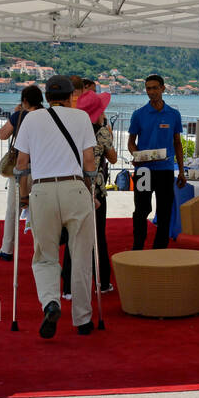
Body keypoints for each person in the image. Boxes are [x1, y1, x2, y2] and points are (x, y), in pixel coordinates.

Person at [12, 75, 98, 338]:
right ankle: (82, 320)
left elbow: (22, 163)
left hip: (43, 190)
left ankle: (51, 302)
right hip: (74, 188)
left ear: (47, 96)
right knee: (82, 255)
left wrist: (24, 197)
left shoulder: (31, 118)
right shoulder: (82, 118)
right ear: (72, 95)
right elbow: (89, 162)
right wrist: (90, 188)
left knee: (45, 255)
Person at [127, 74, 186, 250]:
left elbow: (177, 143)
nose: (151, 92)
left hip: (165, 170)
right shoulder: (139, 114)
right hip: (144, 170)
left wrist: (181, 171)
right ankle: (138, 246)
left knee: (165, 210)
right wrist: (137, 156)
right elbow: (131, 142)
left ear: (163, 88)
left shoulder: (173, 114)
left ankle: (159, 248)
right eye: (148, 88)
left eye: (154, 88)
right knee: (142, 209)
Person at [0, 85, 43, 261]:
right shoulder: (46, 116)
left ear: (24, 100)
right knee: (39, 210)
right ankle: (40, 249)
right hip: (42, 169)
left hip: (20, 168)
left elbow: (2, 135)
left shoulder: (20, 116)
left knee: (12, 209)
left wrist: (16, 115)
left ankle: (7, 248)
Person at [76, 86, 117, 292]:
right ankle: (103, 281)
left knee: (76, 236)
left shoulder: (74, 130)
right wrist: (107, 132)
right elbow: (113, 157)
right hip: (96, 187)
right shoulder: (101, 132)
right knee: (98, 235)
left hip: (75, 185)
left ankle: (70, 284)